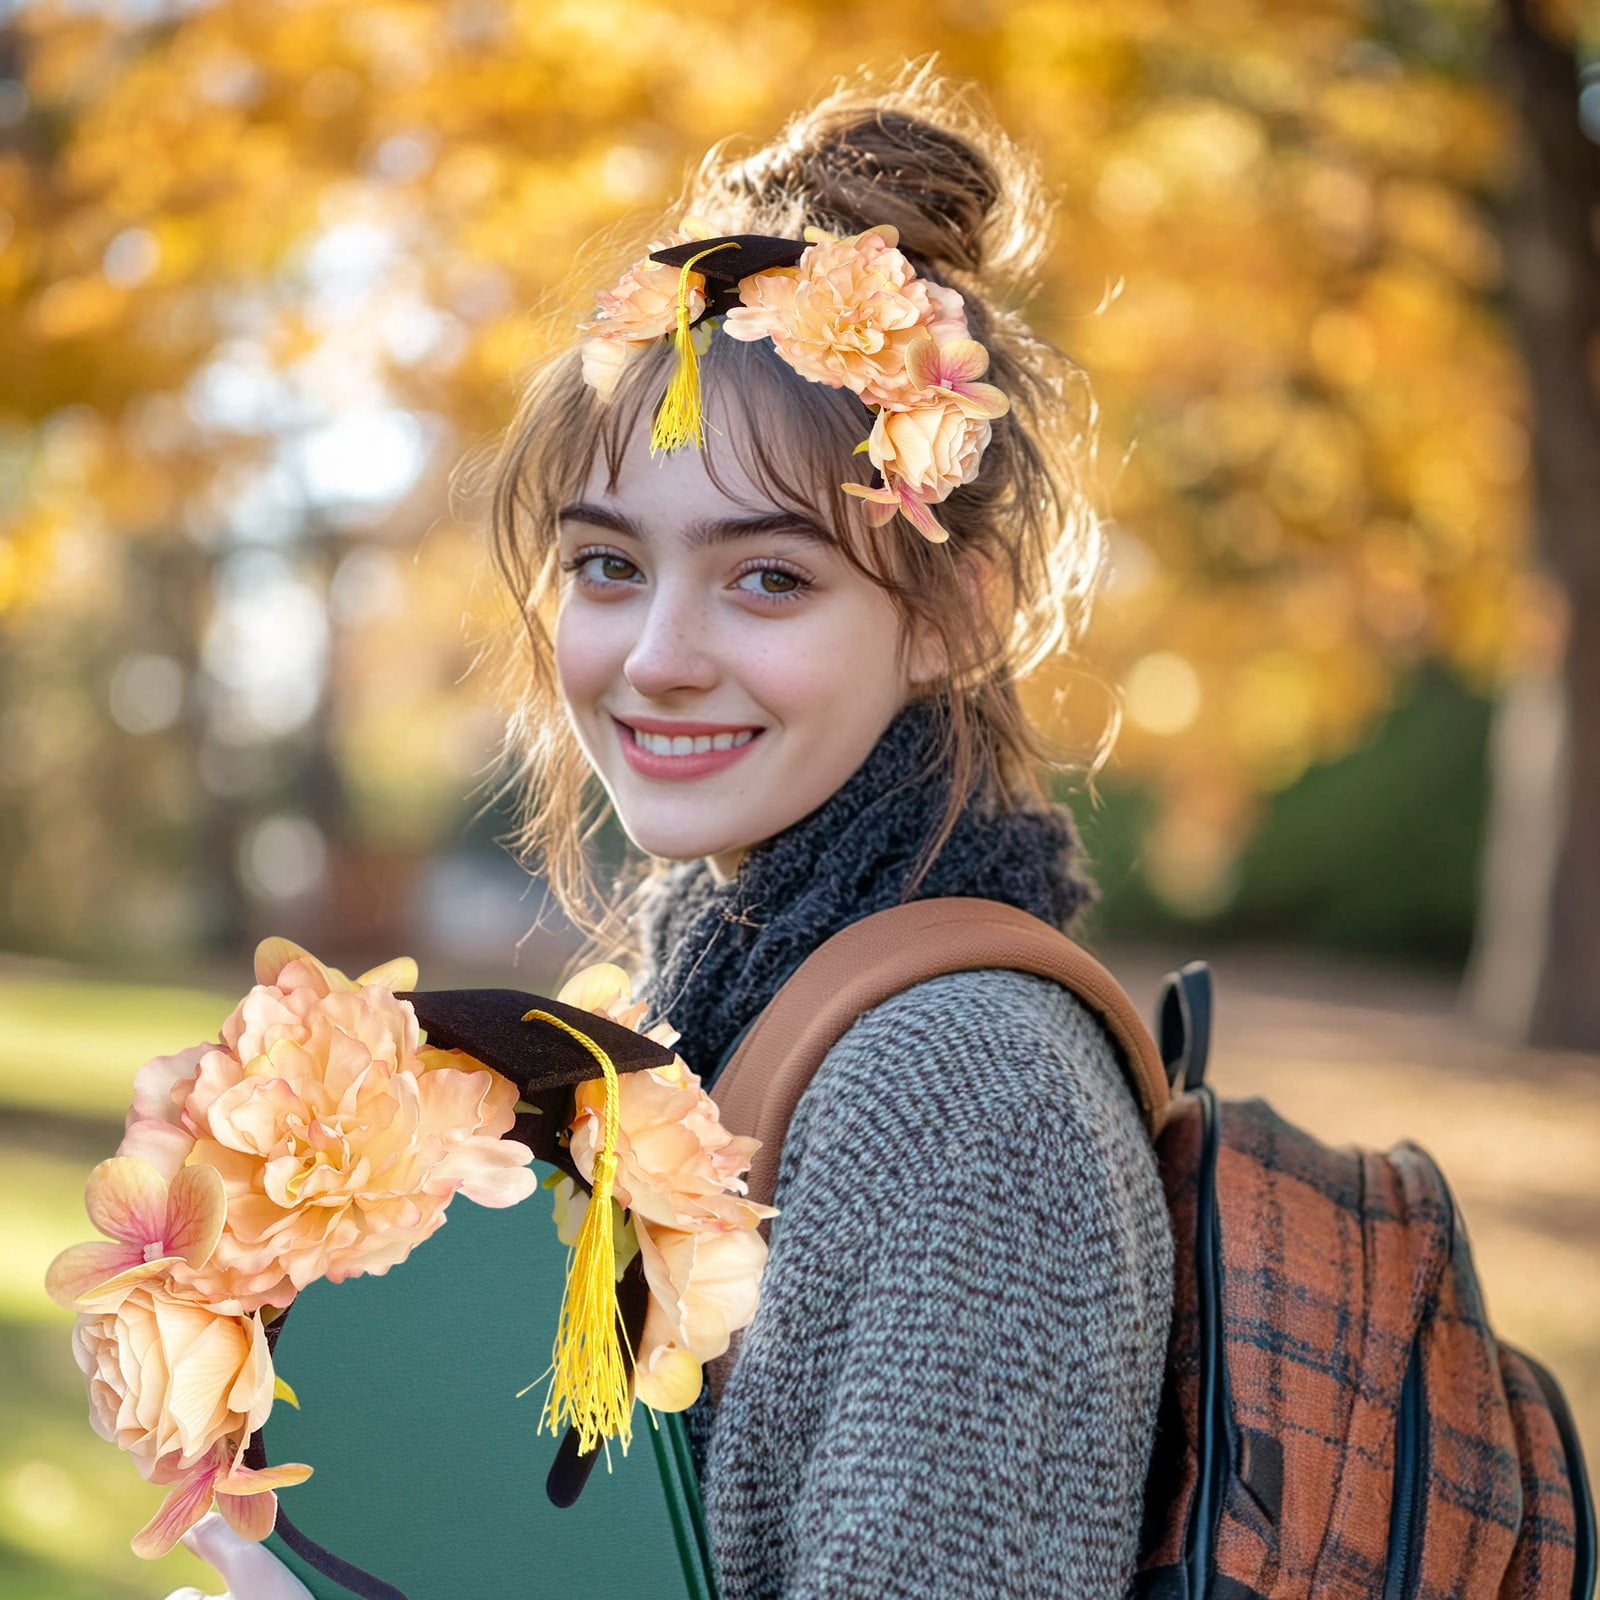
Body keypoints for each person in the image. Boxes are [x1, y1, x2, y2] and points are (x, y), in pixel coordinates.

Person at [168, 65, 1174, 1600]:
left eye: (770, 578)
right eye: (609, 565)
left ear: (954, 615)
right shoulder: (716, 1002)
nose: (656, 657)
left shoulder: (963, 1089)